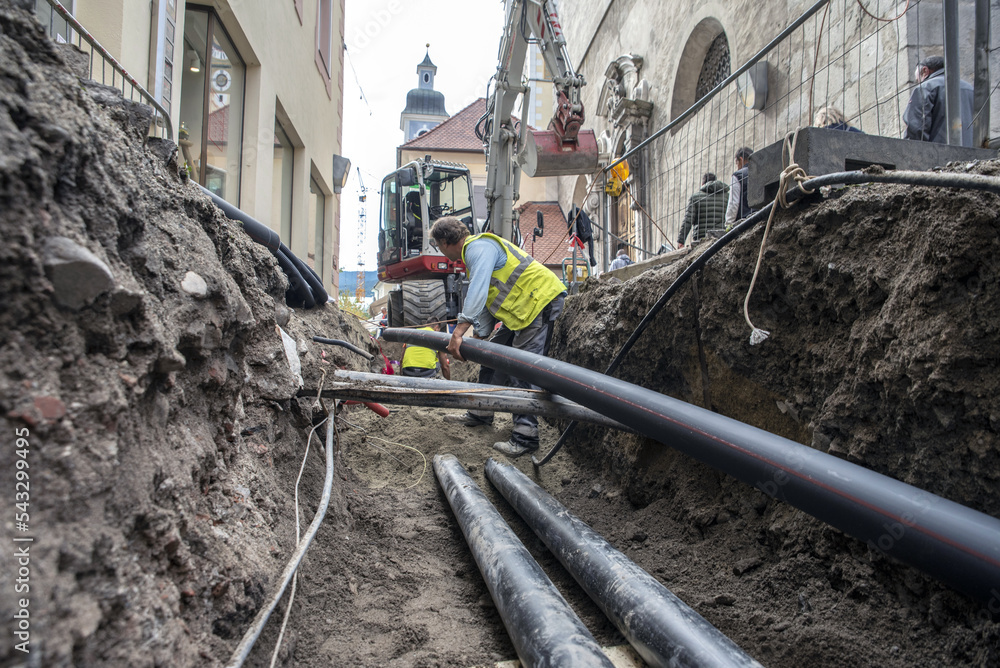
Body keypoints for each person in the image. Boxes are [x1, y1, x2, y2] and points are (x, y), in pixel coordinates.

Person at [430, 216, 566, 457]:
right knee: (491, 358)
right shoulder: (476, 253)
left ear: (444, 240)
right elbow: (488, 301)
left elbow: (479, 289)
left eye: (438, 246)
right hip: (522, 312)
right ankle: (482, 412)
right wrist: (481, 337)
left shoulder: (477, 248)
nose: (440, 252)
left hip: (539, 302)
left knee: (521, 370)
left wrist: (459, 333)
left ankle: (526, 436)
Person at [902, 55, 974, 147]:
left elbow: (916, 129)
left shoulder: (926, 87)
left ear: (925, 71)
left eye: (918, 80)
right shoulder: (970, 89)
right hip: (972, 156)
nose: (918, 83)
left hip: (938, 155)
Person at [677, 172, 729, 248]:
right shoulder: (727, 197)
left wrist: (681, 241)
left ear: (703, 184)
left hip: (701, 239)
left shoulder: (695, 197)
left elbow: (688, 220)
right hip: (721, 238)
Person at [725, 147, 755, 229]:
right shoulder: (761, 172)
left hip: (744, 222)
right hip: (761, 216)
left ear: (741, 159)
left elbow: (733, 203)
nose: (737, 167)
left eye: (737, 163)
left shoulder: (738, 175)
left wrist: (729, 224)